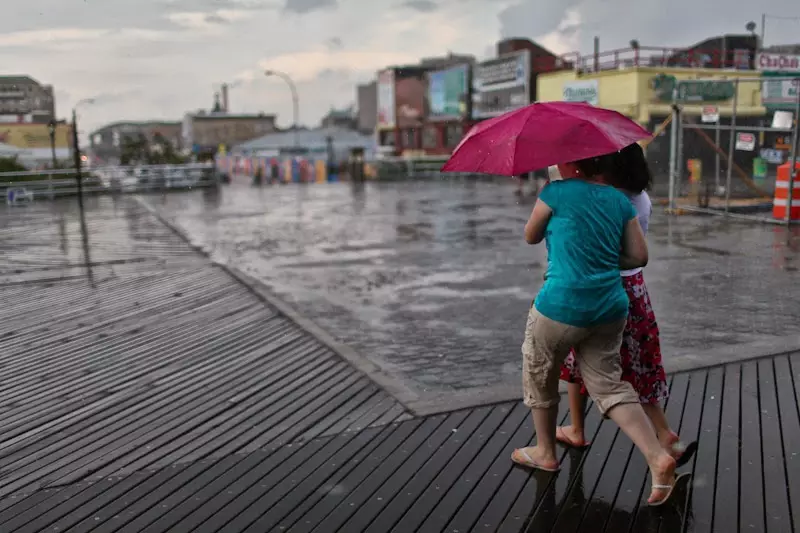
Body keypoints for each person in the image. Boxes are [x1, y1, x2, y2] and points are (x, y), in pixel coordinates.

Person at [512, 152, 682, 507]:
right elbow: (638, 257)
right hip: (610, 307)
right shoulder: (618, 200)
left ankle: (545, 452)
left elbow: (530, 236)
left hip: (560, 305)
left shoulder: (556, 192)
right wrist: (602, 259)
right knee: (609, 384)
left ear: (570, 166)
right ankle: (657, 456)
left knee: (540, 372)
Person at [555, 143, 697, 467]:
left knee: (580, 359)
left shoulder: (605, 199)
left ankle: (577, 429)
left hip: (601, 288)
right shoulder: (640, 198)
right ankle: (663, 431)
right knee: (640, 364)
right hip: (634, 288)